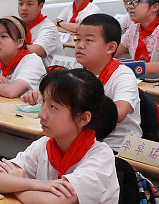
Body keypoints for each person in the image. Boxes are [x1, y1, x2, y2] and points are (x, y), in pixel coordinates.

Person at [0, 69, 121, 204]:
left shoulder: (100, 157)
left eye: (53, 107)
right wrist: (36, 185)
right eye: (44, 102)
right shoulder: (46, 144)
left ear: (84, 118)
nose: (41, 113)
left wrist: (15, 186)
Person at [25, 13, 140, 152]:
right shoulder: (76, 72)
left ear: (110, 47)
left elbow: (118, 113)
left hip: (116, 149)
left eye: (89, 41)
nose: (80, 45)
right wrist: (44, 99)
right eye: (78, 39)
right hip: (79, 142)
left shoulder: (123, 75)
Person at [17, 0, 62, 65]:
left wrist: (7, 46)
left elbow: (37, 50)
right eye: (20, 3)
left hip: (49, 75)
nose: (23, 8)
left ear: (40, 6)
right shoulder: (17, 26)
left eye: (29, 4)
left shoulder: (48, 28)